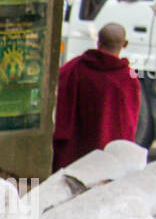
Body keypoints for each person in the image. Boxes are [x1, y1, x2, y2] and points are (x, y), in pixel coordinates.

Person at [53, 22, 142, 170]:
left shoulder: (74, 67)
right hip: (108, 161)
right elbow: (129, 124)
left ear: (98, 42)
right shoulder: (129, 77)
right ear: (125, 44)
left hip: (74, 157)